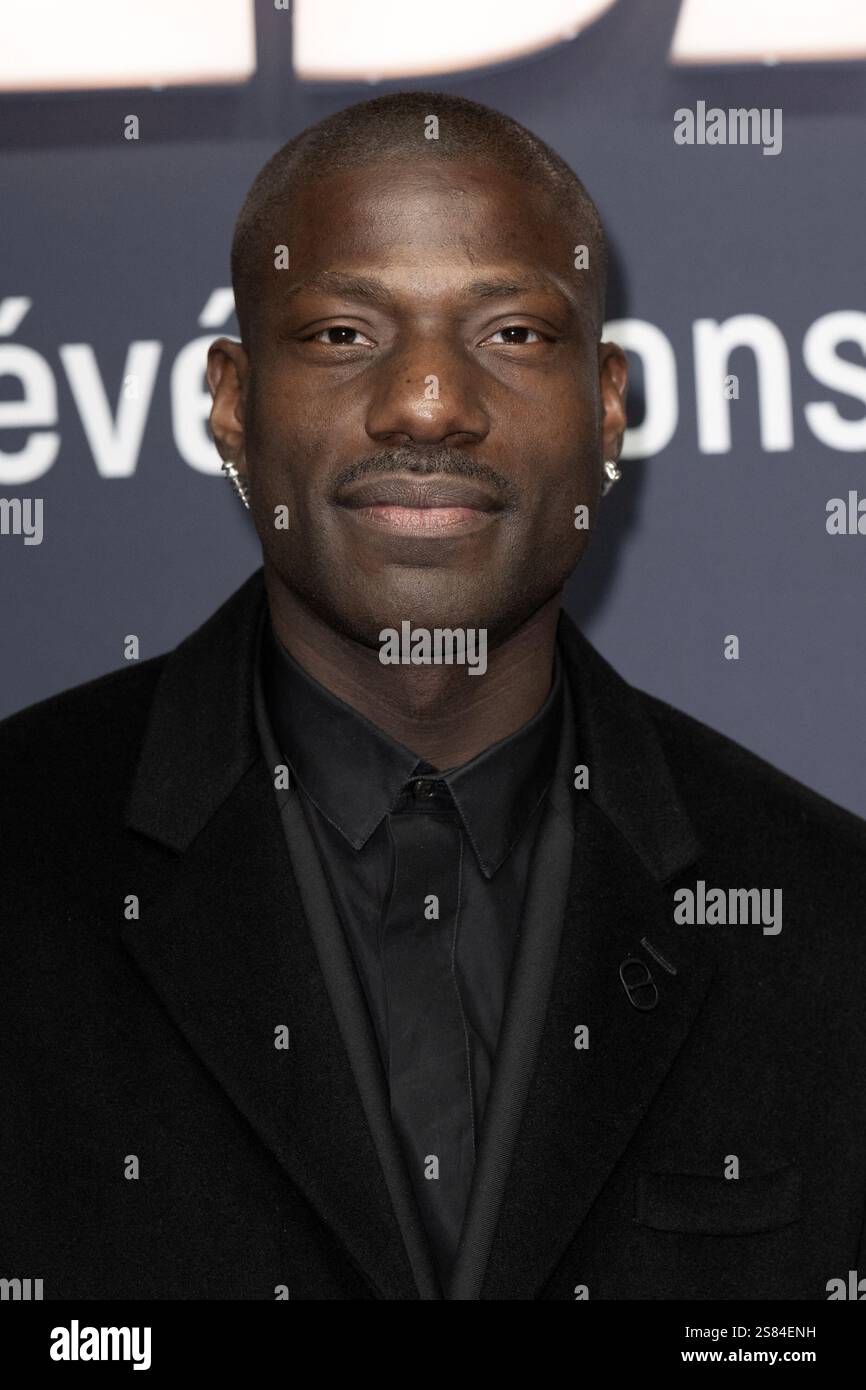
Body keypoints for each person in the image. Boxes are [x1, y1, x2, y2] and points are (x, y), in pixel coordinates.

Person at [2, 90, 865, 1302]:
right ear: (231, 405)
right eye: (342, 333)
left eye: (510, 332)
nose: (426, 402)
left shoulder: (827, 923)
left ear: (607, 402)